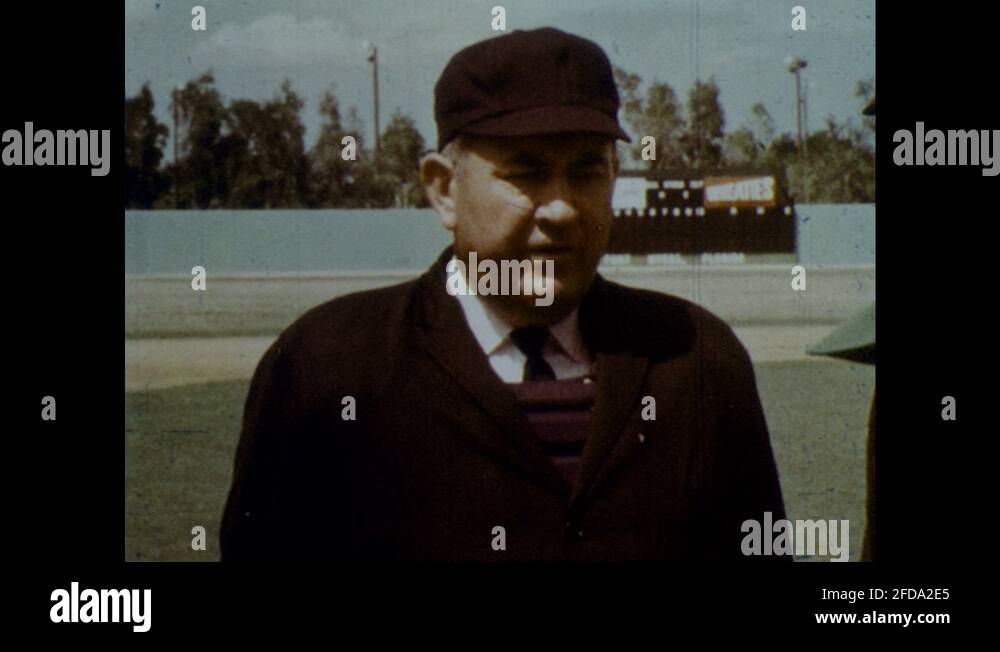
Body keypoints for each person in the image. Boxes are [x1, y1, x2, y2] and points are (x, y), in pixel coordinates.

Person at [220, 27, 787, 561]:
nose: (562, 208)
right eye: (527, 173)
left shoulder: (695, 360)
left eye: (587, 172)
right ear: (443, 190)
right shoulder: (328, 366)